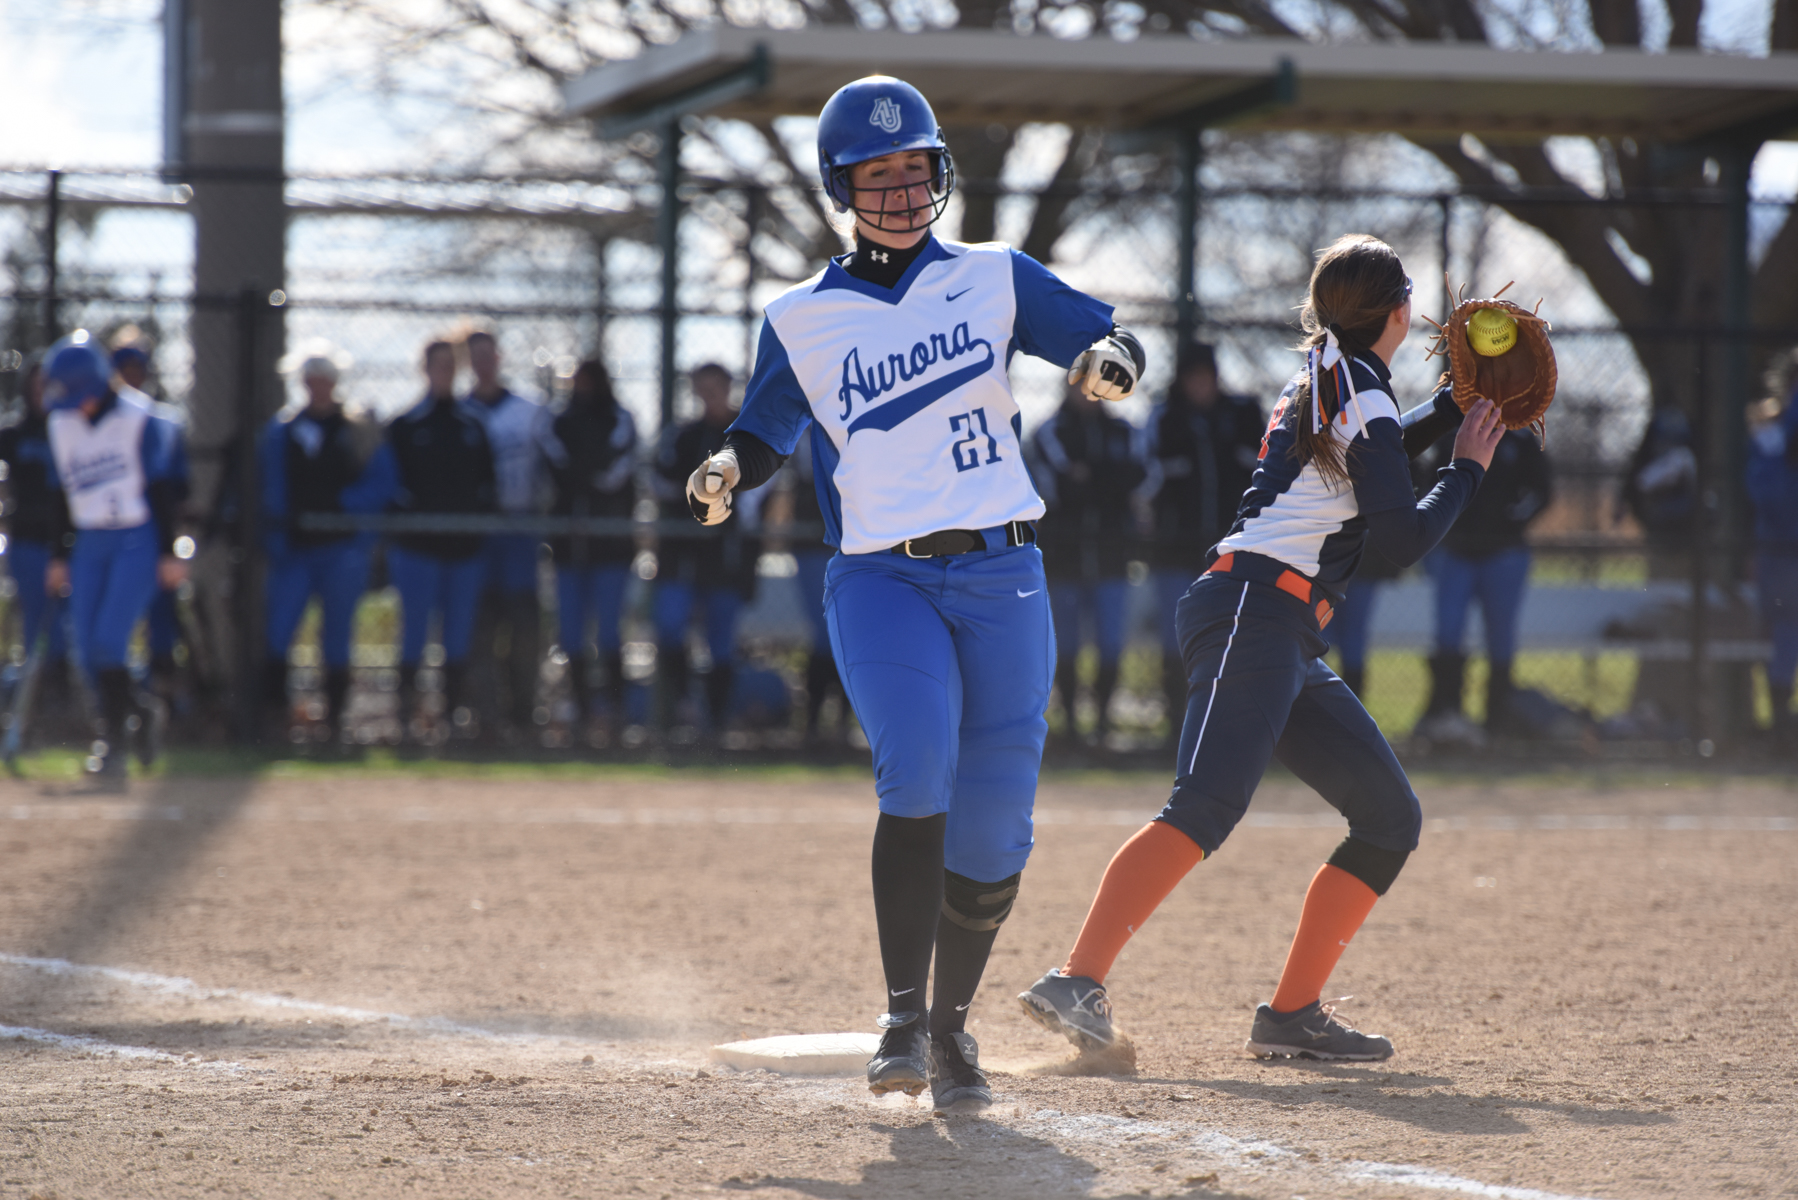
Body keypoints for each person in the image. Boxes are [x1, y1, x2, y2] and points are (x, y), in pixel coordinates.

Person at [684, 76, 1143, 1112]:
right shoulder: (801, 316)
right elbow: (764, 430)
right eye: (874, 174)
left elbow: (1102, 337)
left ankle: (949, 1030)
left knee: (994, 832)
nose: (898, 188)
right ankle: (900, 1016)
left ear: (939, 172)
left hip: (1002, 571)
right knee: (917, 768)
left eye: (913, 168)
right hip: (882, 575)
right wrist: (725, 470)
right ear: (839, 186)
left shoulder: (991, 274)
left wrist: (1109, 360)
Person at [1017, 234, 1504, 1063]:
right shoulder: (1360, 394)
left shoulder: (1330, 377)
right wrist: (1468, 468)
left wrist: (1454, 408)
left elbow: (1376, 452)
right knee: (1203, 806)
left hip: (1273, 621)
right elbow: (1402, 535)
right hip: (1254, 611)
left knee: (1389, 818)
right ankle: (1077, 978)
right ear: (1396, 313)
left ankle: (1291, 1015)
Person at [40, 332, 190, 780]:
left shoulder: (142, 418)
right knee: (85, 647)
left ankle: (114, 743)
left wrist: (168, 551)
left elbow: (162, 490)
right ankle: (138, 714)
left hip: (136, 536)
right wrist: (58, 555)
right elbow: (60, 496)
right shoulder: (61, 423)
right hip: (88, 539)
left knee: (110, 639)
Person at [259, 352, 391, 745]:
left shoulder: (357, 430)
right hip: (294, 549)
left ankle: (335, 724)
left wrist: (344, 507)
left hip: (342, 549)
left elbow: (381, 483)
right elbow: (269, 487)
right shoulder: (281, 431)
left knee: (336, 638)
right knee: (278, 632)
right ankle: (274, 721)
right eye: (310, 378)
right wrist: (278, 534)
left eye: (325, 378)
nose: (317, 386)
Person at [373, 340, 497, 743]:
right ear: (424, 369)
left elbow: (487, 485)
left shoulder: (472, 425)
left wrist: (475, 524)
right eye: (436, 365)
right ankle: (408, 717)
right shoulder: (405, 426)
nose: (443, 372)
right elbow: (390, 489)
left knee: (457, 636)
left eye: (449, 365)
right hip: (417, 550)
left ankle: (451, 718)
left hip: (464, 550)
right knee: (414, 633)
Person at [1143, 342, 1264, 729]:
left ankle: (1229, 723)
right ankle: (1178, 722)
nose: (1201, 386)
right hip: (1174, 547)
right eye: (1193, 379)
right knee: (1176, 636)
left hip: (1229, 548)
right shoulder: (1164, 418)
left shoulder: (1240, 414)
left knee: (1230, 637)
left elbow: (1262, 469)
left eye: (1206, 378)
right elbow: (1146, 477)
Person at [1414, 425, 1552, 742]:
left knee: (1500, 636)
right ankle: (1446, 716)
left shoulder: (1519, 438)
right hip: (1454, 552)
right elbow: (1427, 487)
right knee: (1448, 633)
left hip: (1504, 553)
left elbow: (1542, 490)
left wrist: (1509, 521)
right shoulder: (1448, 434)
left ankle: (1497, 721)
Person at [1032, 382, 1146, 745]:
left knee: (1111, 643)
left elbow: (1137, 478)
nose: (1088, 393)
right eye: (1081, 385)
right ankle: (1068, 727)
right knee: (1065, 644)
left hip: (1113, 557)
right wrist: (1107, 479)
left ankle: (1101, 724)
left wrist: (1091, 477)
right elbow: (1060, 488)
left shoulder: (1124, 431)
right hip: (1065, 556)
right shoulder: (1050, 431)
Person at [652, 363, 762, 734]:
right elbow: (661, 482)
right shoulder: (682, 435)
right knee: (670, 627)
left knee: (721, 641)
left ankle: (716, 722)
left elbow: (755, 498)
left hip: (726, 556)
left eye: (716, 387)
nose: (709, 395)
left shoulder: (746, 436)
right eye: (702, 388)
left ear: (729, 387)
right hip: (682, 554)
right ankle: (682, 709)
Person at [462, 331, 558, 741]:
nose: (483, 362)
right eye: (475, 356)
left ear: (499, 358)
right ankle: (484, 716)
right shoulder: (460, 412)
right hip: (476, 535)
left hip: (520, 531)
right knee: (478, 630)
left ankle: (523, 713)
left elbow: (552, 471)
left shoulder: (530, 412)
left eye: (489, 355)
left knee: (524, 630)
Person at [547, 359, 638, 741]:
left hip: (611, 545)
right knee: (569, 635)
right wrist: (579, 479)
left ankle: (614, 715)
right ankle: (583, 715)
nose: (582, 389)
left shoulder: (620, 418)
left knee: (610, 634)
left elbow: (612, 473)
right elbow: (556, 466)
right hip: (567, 546)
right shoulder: (557, 420)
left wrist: (582, 479)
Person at [113, 340, 191, 708]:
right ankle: (123, 703)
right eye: (123, 370)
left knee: (161, 617)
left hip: (152, 532)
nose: (131, 377)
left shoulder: (161, 421)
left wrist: (168, 545)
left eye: (137, 370)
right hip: (110, 532)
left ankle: (162, 699)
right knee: (112, 625)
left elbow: (177, 487)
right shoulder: (95, 420)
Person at [0, 353, 73, 705]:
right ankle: (35, 701)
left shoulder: (74, 430)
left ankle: (66, 695)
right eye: (36, 385)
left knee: (67, 626)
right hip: (28, 540)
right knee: (35, 624)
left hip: (68, 542)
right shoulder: (13, 434)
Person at [1747, 349, 1798, 758]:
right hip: (1782, 553)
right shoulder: (1775, 432)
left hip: (1780, 551)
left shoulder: (1774, 432)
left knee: (1784, 635)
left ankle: (1782, 727)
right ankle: (1782, 729)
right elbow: (1764, 491)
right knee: (1784, 634)